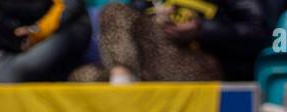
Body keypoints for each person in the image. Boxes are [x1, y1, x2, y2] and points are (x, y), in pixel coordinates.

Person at [70, 0, 269, 83]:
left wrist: (201, 29)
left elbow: (256, 33)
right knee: (82, 77)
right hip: (148, 63)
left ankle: (123, 87)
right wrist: (153, 20)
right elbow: (126, 26)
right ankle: (121, 78)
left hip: (200, 63)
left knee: (129, 18)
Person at [0, 0, 93, 82]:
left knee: (12, 74)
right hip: (10, 27)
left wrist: (38, 31)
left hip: (61, 28)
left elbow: (69, 7)